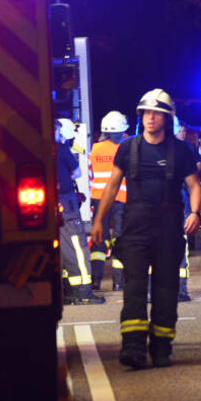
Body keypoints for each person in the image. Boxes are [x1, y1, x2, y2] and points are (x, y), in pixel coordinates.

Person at [91, 89, 201, 369]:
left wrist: (196, 213)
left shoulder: (180, 151)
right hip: (135, 228)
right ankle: (133, 347)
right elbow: (112, 186)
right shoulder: (128, 148)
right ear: (141, 117)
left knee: (166, 289)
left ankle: (162, 347)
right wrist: (98, 221)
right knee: (135, 288)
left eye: (156, 114)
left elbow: (194, 186)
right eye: (146, 113)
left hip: (168, 228)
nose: (151, 118)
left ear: (167, 118)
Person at [57, 118, 105, 305]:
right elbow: (76, 173)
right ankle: (84, 292)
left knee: (59, 247)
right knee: (77, 246)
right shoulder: (61, 149)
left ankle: (67, 291)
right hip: (66, 203)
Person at [89, 110, 129, 293]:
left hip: (98, 199)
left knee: (99, 240)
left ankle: (95, 281)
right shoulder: (123, 148)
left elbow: (90, 174)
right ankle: (119, 282)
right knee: (120, 238)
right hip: (120, 198)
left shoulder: (95, 149)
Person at [173, 115, 198, 301]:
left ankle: (180, 290)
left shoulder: (185, 149)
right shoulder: (182, 149)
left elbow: (193, 184)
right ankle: (179, 290)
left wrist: (194, 213)